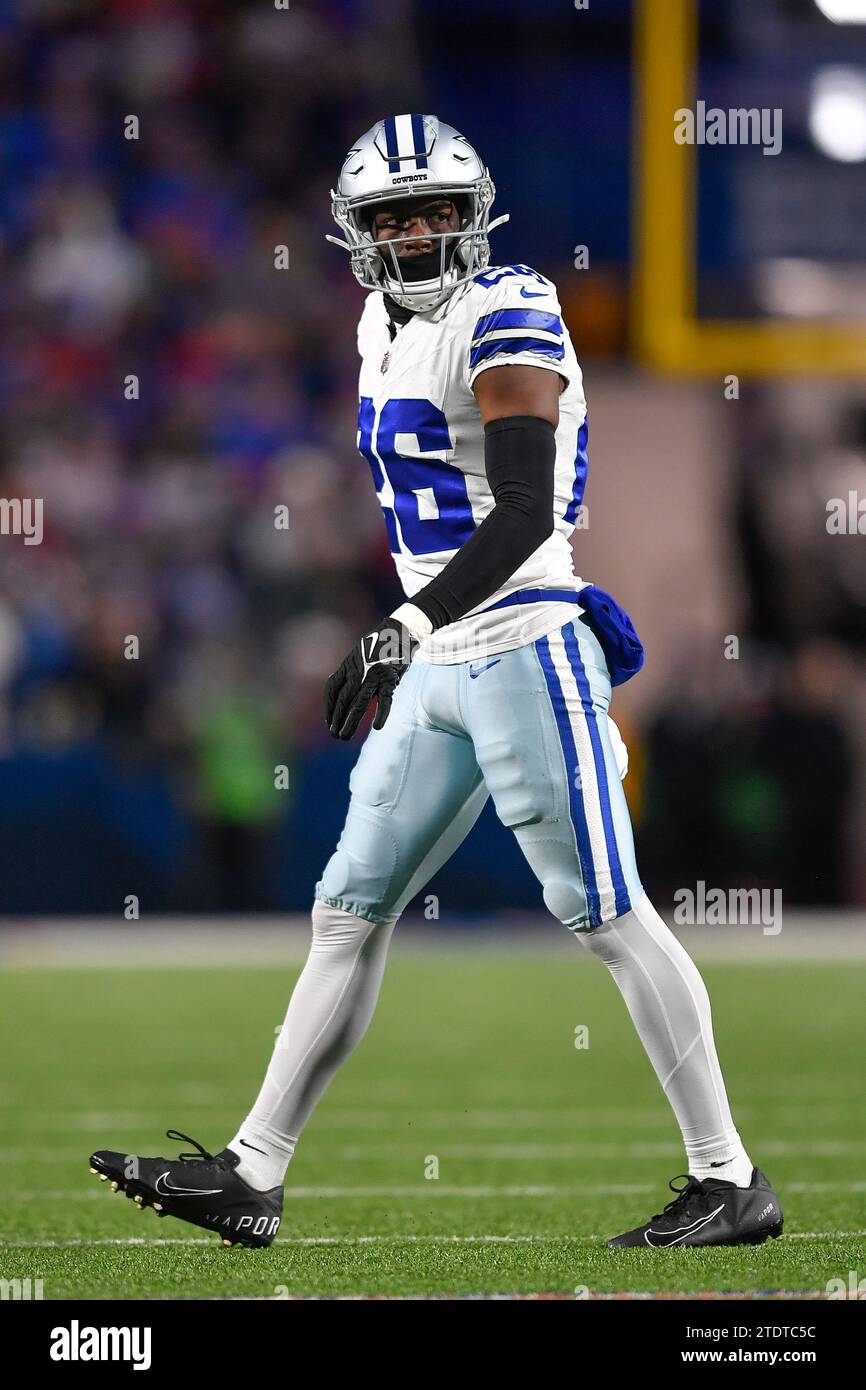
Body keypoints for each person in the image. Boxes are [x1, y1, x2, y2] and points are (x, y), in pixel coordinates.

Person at [90, 115, 782, 1252]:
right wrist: (414, 630)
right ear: (356, 235)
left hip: (517, 642)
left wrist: (404, 621)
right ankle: (252, 1171)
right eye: (393, 218)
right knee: (345, 907)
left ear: (475, 215)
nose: (416, 235)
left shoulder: (505, 304)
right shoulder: (376, 322)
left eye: (435, 212)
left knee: (605, 913)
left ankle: (727, 1176)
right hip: (442, 660)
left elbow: (517, 511)